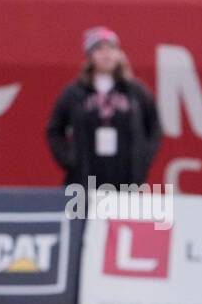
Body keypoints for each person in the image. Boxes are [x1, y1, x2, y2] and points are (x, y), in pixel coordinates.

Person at [45, 27, 161, 189]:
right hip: (85, 179)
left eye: (112, 49)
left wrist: (142, 160)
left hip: (126, 179)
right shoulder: (75, 93)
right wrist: (70, 159)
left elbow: (155, 128)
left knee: (123, 214)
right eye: (100, 49)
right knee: (84, 214)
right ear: (90, 56)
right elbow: (54, 129)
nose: (107, 54)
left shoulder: (136, 92)